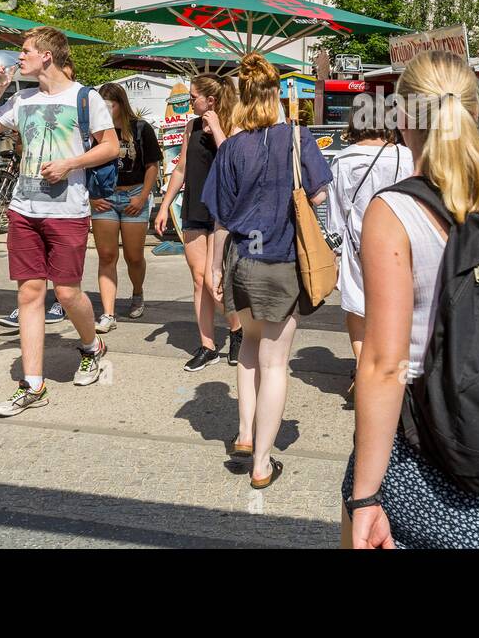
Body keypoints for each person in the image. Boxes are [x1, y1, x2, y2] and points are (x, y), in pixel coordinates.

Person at [343, 50, 479, 549]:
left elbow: (383, 363)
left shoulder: (394, 211)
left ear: (402, 117)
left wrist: (364, 499)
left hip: (427, 457)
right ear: (475, 114)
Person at [0, 26, 120, 417]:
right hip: (24, 209)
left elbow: (111, 146)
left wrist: (70, 163)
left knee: (67, 294)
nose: (20, 57)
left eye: (25, 51)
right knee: (29, 295)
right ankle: (33, 384)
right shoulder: (22, 98)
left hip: (68, 211)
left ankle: (92, 345)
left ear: (46, 56)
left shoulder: (85, 97)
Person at [205, 53, 332, 490]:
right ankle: (261, 462)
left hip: (241, 259)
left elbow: (220, 215)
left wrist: (212, 268)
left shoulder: (233, 147)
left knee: (247, 348)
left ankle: (243, 435)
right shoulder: (297, 138)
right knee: (275, 363)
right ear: (276, 93)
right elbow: (318, 196)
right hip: (280, 260)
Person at [154, 73, 243, 371]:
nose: (189, 101)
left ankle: (237, 330)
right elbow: (181, 168)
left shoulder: (234, 125)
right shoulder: (190, 125)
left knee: (212, 278)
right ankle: (207, 345)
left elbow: (234, 162)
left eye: (193, 97)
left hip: (223, 211)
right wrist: (165, 205)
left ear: (211, 100)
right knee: (198, 279)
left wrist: (216, 128)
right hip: (193, 206)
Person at [327, 116, 411, 388]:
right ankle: (394, 369)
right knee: (398, 306)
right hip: (401, 242)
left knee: (358, 308)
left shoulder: (343, 159)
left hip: (357, 245)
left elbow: (336, 211)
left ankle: (364, 370)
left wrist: (335, 251)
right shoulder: (405, 155)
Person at [88, 83, 160, 333]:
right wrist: (92, 196)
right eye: (102, 105)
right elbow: (85, 165)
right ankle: (108, 313)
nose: (106, 110)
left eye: (110, 105)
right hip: (104, 197)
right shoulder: (94, 131)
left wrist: (142, 197)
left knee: (134, 256)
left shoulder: (140, 128)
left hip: (134, 195)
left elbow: (153, 165)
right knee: (107, 255)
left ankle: (137, 293)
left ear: (121, 104)